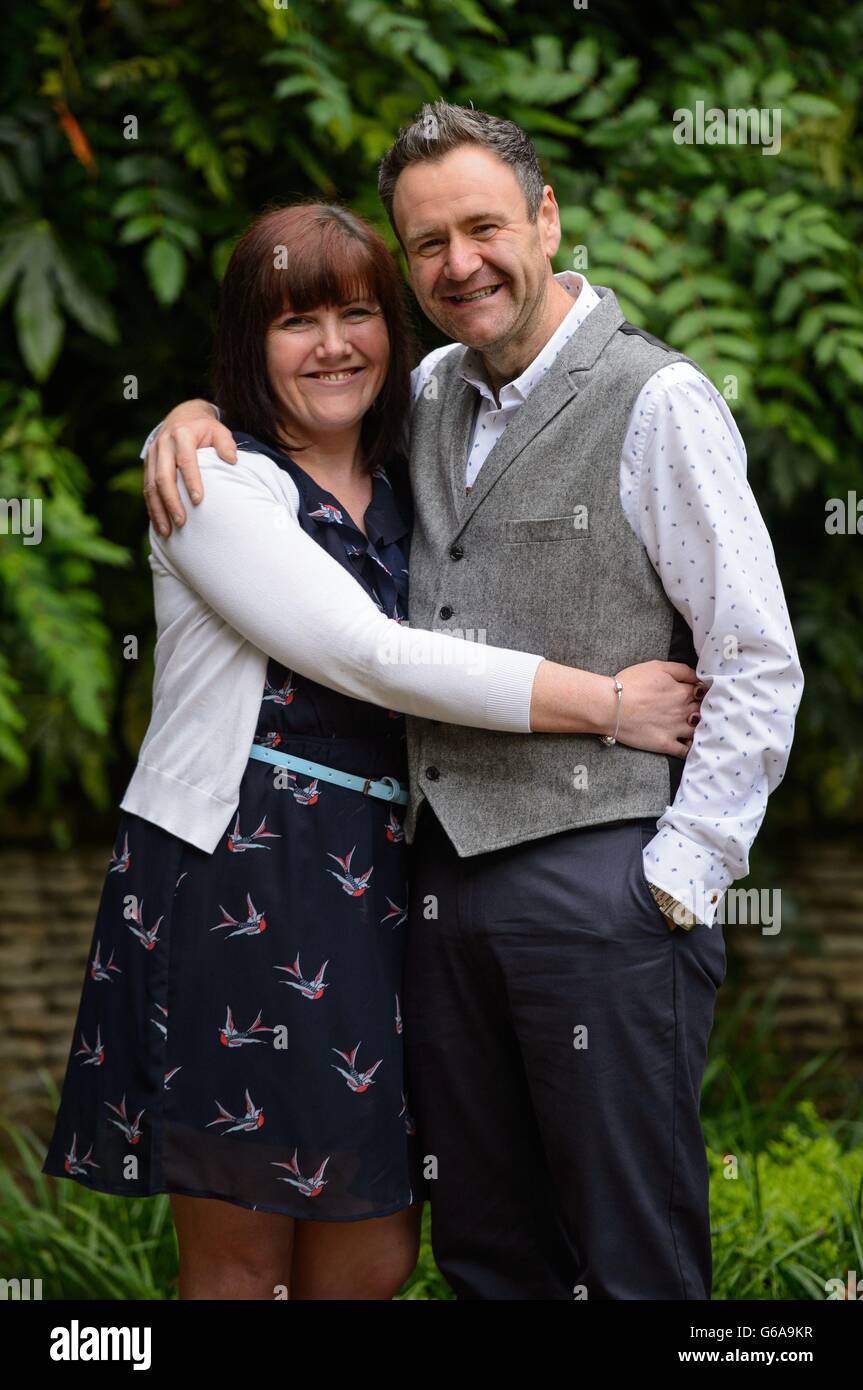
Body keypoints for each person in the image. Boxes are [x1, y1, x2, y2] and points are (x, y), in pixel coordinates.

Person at [146, 103, 805, 1302]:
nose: (460, 265)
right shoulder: (426, 394)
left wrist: (680, 871)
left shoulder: (655, 402)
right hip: (432, 894)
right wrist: (194, 417)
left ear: (545, 218)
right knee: (490, 1256)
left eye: (484, 226)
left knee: (631, 1253)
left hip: (603, 881)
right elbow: (301, 461)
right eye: (428, 244)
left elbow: (755, 655)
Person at [42, 199, 702, 1302]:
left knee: (374, 1251)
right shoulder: (218, 485)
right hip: (238, 877)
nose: (334, 343)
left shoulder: (410, 474)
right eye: (296, 321)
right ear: (250, 345)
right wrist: (607, 705)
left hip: (380, 891)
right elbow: (369, 653)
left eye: (357, 312)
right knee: (245, 1257)